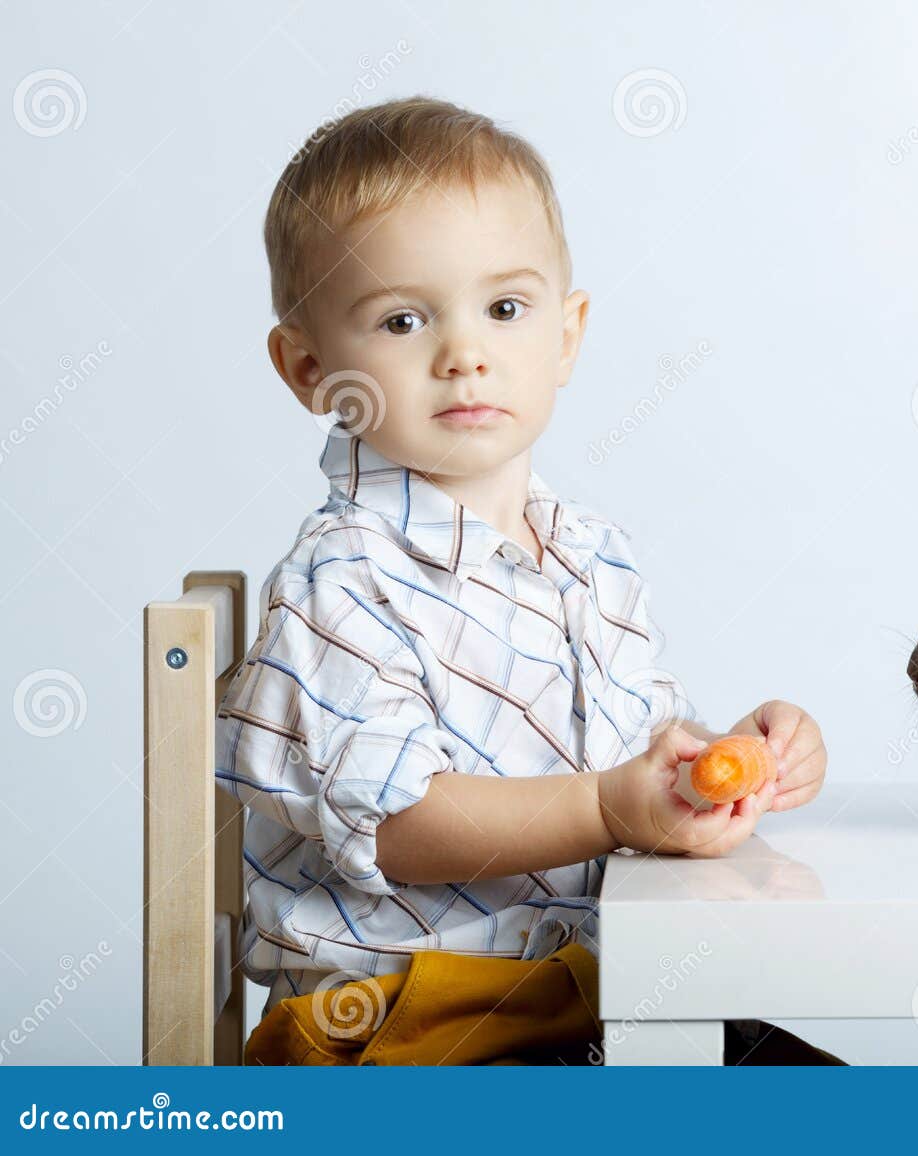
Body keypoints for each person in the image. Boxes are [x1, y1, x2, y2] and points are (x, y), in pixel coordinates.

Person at [215, 96, 840, 1065]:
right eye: (402, 317)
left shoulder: (590, 557)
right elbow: (397, 820)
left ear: (566, 334)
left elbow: (633, 754)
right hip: (404, 1024)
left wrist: (725, 759)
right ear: (308, 368)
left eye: (504, 308)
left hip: (584, 995)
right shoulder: (341, 582)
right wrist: (602, 808)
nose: (464, 352)